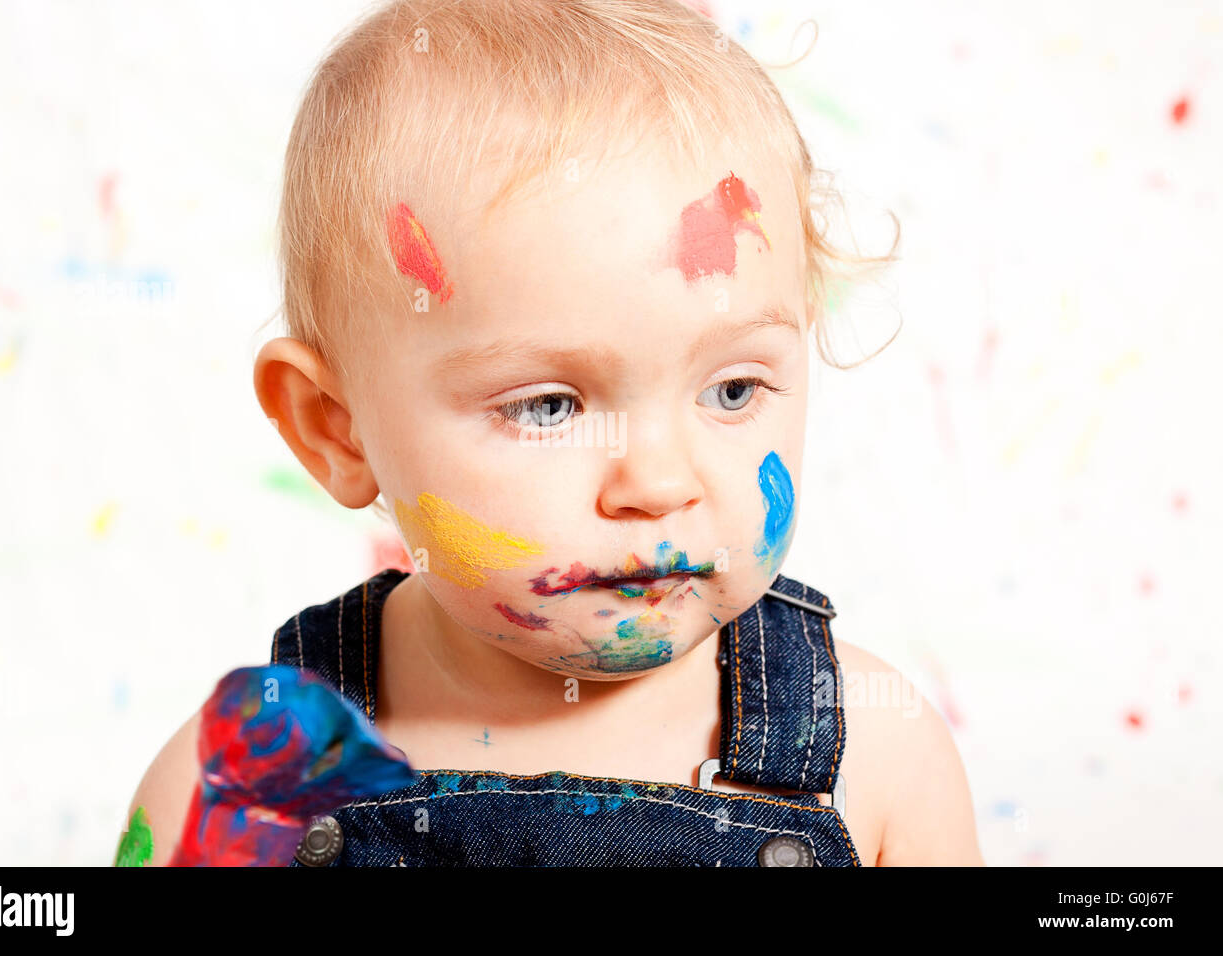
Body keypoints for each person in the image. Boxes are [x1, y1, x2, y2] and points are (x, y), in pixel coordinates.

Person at [126, 0, 983, 866]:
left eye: (730, 389)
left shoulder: (875, 758)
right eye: (548, 408)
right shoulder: (243, 789)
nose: (657, 483)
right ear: (336, 430)